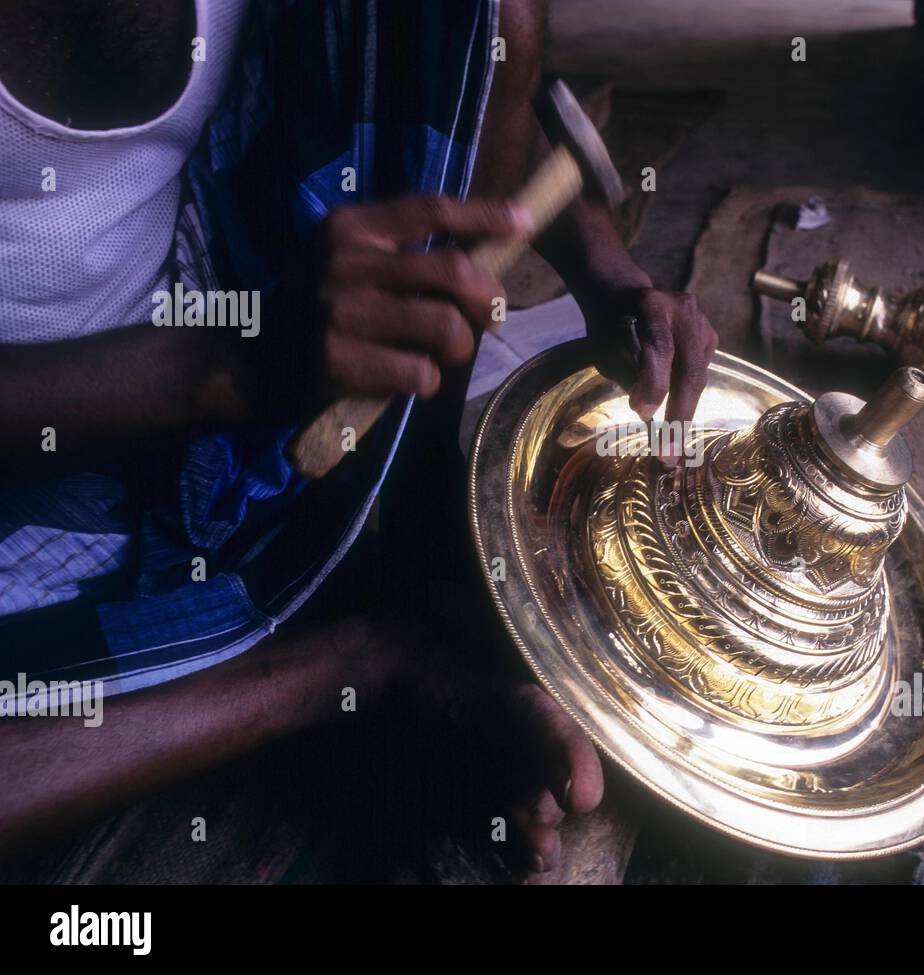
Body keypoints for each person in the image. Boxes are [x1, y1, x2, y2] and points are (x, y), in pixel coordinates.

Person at [0, 0, 718, 880]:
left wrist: (607, 270)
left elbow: (461, 78)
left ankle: (394, 522)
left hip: (236, 316)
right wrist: (232, 360)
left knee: (490, 18)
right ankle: (340, 667)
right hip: (46, 484)